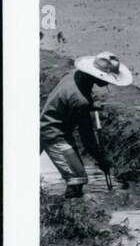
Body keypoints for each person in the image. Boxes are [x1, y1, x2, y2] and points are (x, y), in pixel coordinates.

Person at [40, 52, 132, 198]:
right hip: (52, 132)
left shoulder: (75, 75)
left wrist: (91, 104)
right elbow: (87, 137)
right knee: (77, 179)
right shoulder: (80, 101)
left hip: (50, 121)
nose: (108, 82)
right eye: (107, 78)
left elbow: (74, 97)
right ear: (96, 75)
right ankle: (71, 211)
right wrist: (101, 159)